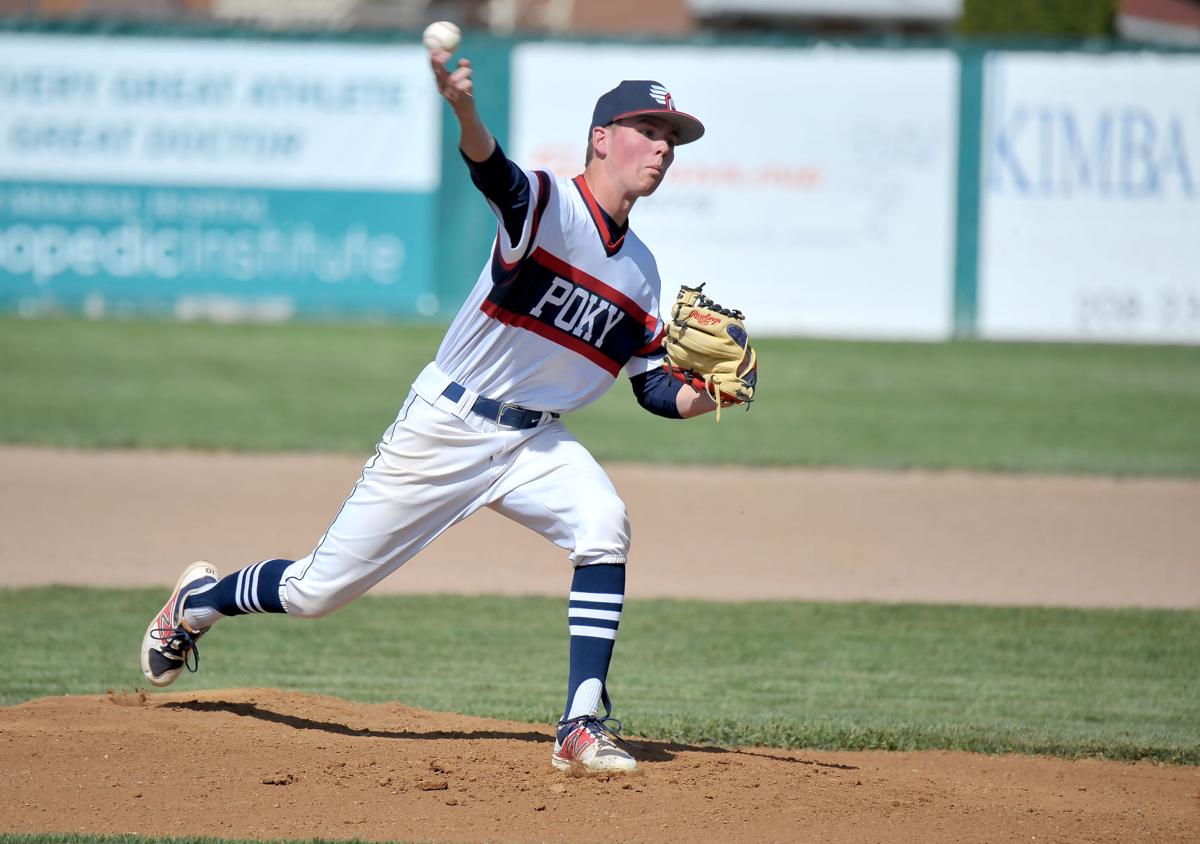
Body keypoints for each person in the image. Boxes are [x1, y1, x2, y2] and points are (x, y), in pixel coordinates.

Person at [140, 48, 728, 774]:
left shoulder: (641, 270)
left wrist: (709, 396)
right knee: (316, 591)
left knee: (604, 522)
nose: (664, 147)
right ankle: (199, 600)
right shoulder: (547, 206)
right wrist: (463, 108)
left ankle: (580, 724)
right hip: (445, 426)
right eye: (649, 128)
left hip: (532, 444)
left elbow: (652, 388)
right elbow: (495, 174)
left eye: (673, 137)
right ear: (602, 137)